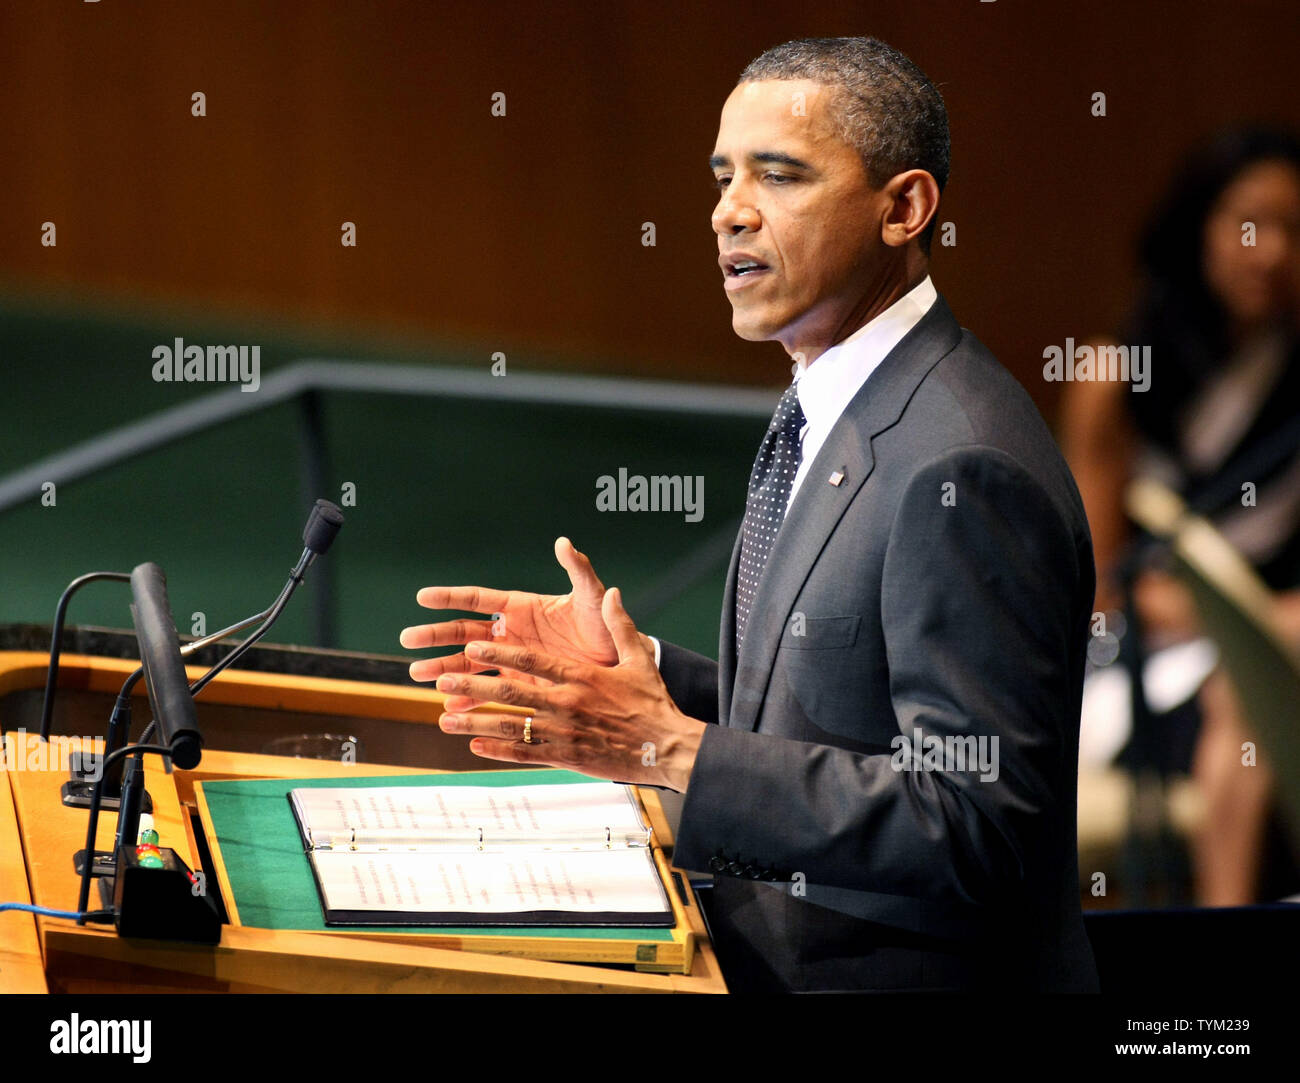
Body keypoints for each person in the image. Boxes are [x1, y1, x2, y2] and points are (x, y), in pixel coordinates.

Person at [400, 36, 1099, 992]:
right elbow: (830, 715)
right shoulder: (834, 401)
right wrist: (642, 677)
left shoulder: (961, 462)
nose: (730, 212)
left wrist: (668, 746)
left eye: (780, 176)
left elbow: (976, 823)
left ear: (905, 208)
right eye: (725, 176)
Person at [1062, 127, 1300, 906]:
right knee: (1247, 690)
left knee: (1257, 686)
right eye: (1249, 223)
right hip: (1144, 663)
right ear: (1199, 226)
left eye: (1294, 230)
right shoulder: (1113, 375)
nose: (1269, 251)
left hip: (1277, 654)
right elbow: (1097, 585)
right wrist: (1230, 617)